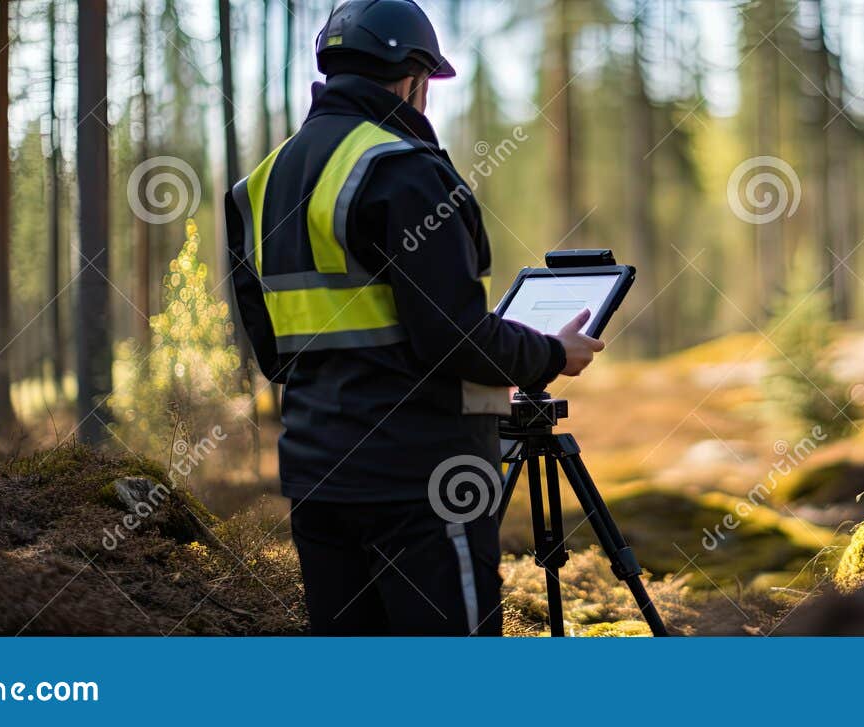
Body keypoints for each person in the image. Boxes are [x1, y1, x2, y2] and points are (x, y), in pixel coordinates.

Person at [223, 0, 604, 635]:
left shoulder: (261, 184)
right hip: (424, 484)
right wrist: (549, 354)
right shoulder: (404, 168)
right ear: (414, 77)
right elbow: (451, 336)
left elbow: (274, 353)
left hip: (318, 475)